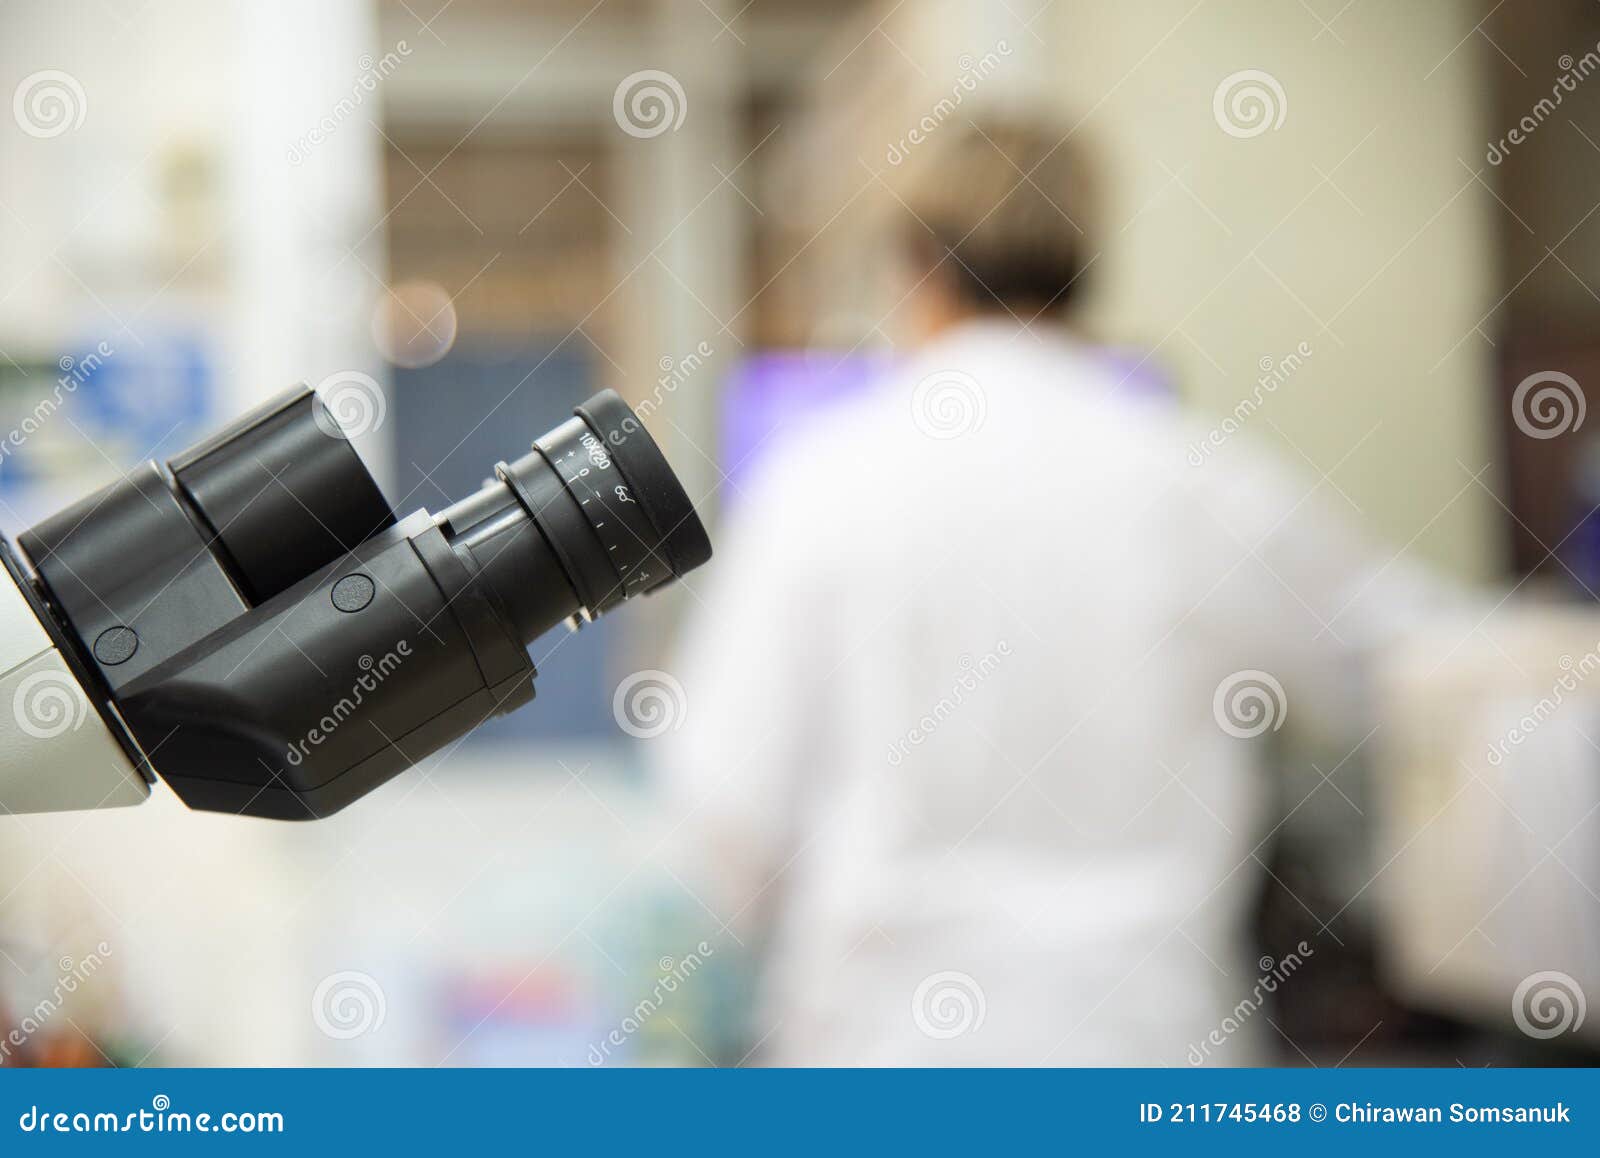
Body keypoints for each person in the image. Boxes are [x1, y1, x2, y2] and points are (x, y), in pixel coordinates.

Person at [659, 120, 1442, 1065]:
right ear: (1084, 265)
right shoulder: (1196, 485)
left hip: (885, 1057)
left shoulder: (822, 486)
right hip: (1146, 1052)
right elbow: (1431, 667)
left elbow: (724, 813)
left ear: (914, 266)